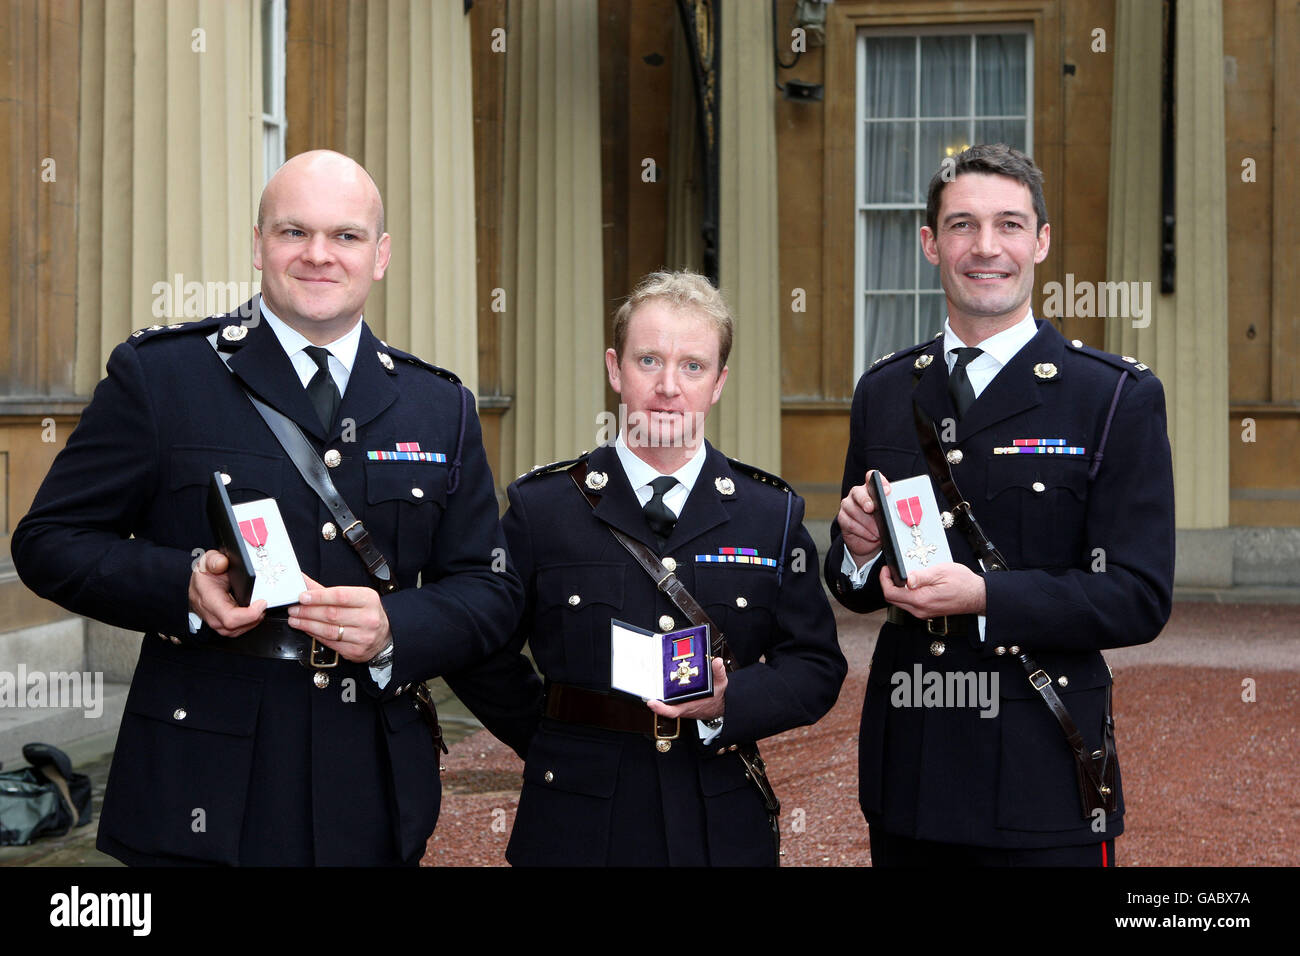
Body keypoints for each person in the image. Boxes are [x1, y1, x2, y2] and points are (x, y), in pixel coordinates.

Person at [11, 150, 522, 866]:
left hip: (368, 776)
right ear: (258, 246)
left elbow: (488, 587)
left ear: (379, 256)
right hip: (205, 776)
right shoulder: (162, 378)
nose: (318, 255)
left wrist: (395, 626)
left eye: (344, 236)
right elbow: (47, 541)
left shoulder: (439, 406)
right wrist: (181, 585)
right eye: (293, 232)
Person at [824, 144, 1174, 866]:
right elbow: (850, 581)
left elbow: (1137, 597)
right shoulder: (886, 392)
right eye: (962, 226)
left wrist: (986, 596)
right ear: (930, 244)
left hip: (1040, 775)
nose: (986, 248)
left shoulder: (1111, 397)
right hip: (910, 770)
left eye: (1010, 225)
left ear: (1041, 241)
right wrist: (856, 551)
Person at [448, 270, 846, 866]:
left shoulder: (771, 514)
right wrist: (557, 734)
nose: (668, 386)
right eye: (648, 360)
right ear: (615, 369)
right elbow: (479, 643)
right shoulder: (544, 508)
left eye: (692, 366)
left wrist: (728, 703)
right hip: (576, 820)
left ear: (718, 383)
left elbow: (815, 665)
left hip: (716, 815)